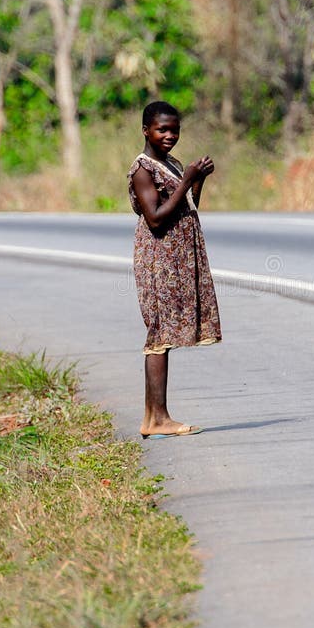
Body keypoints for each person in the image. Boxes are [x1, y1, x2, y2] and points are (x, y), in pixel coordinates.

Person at [128, 100, 222, 439]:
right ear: (146, 131)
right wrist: (187, 180)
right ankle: (159, 417)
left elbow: (186, 204)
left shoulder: (169, 163)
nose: (169, 135)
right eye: (162, 129)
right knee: (160, 334)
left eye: (175, 129)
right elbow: (155, 217)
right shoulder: (143, 169)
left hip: (176, 259)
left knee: (163, 335)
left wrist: (198, 181)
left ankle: (152, 417)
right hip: (159, 261)